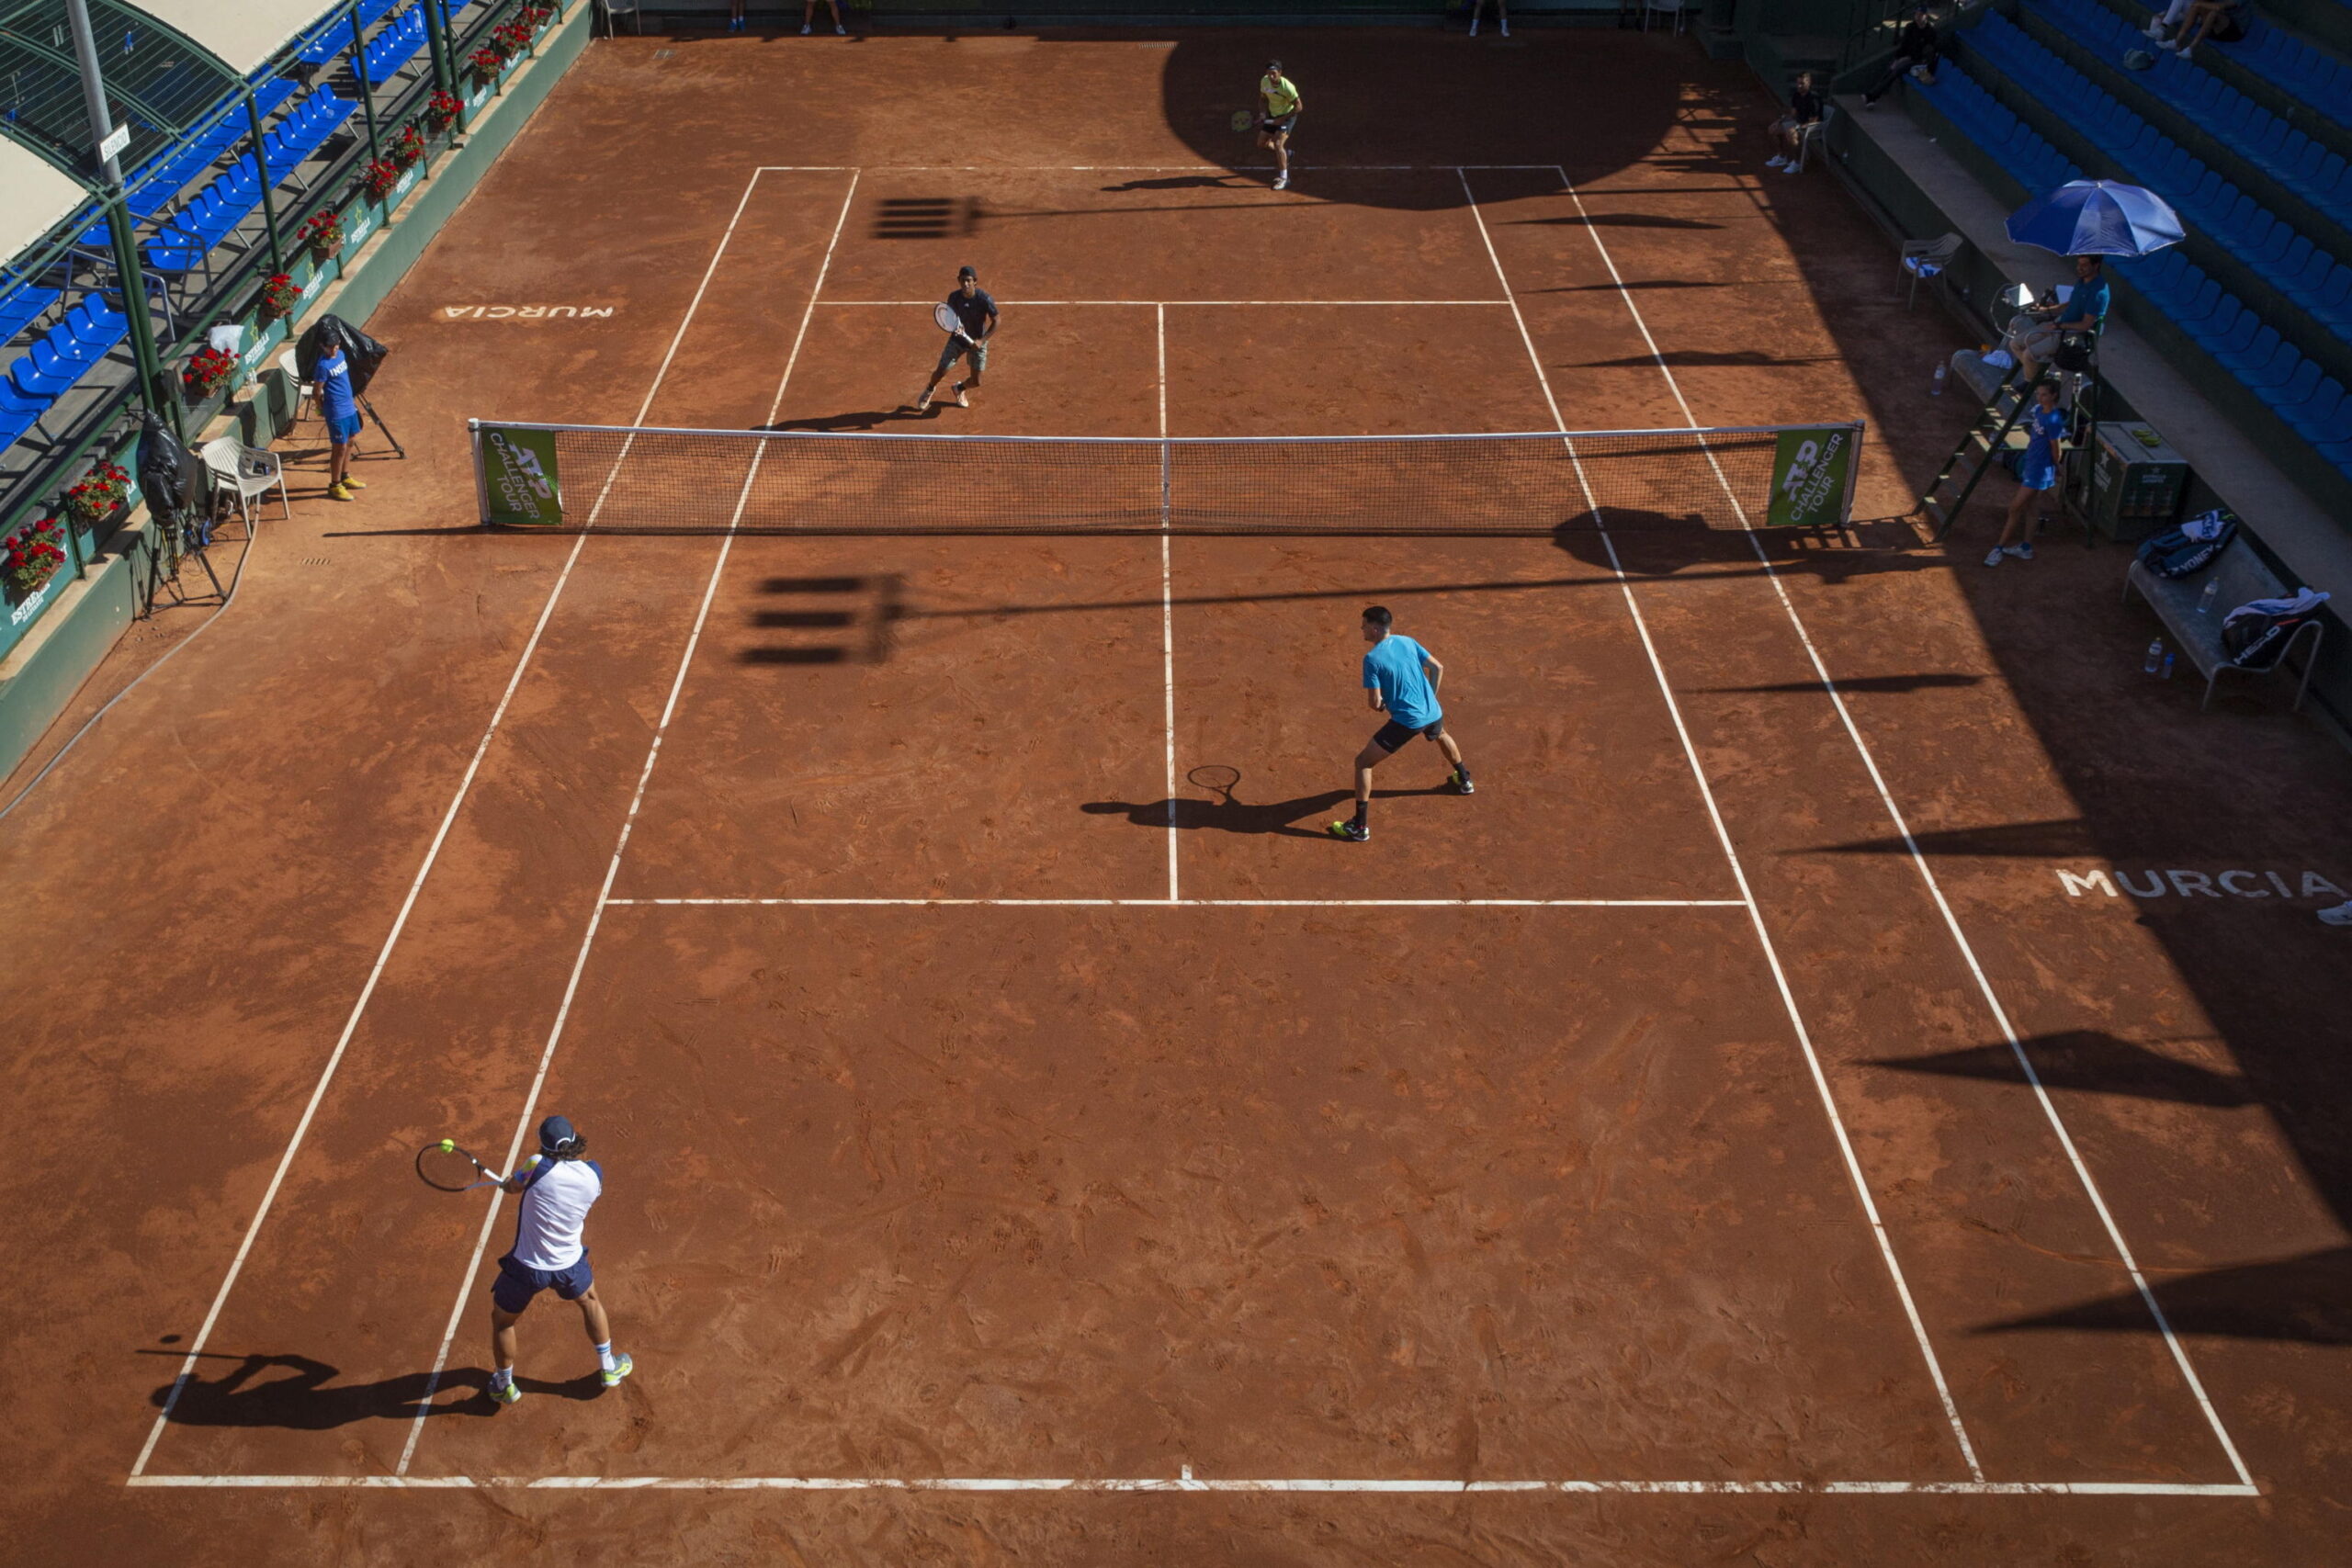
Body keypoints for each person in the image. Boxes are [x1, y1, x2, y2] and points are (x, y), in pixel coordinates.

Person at [486, 1115, 631, 1407]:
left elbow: (514, 1186)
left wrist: (507, 1184)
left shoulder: (536, 1165)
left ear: (543, 1145)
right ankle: (608, 1367)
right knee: (590, 1302)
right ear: (574, 1141)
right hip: (570, 1266)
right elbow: (575, 1166)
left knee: (502, 1322)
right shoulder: (594, 1174)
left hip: (526, 1268)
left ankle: (504, 1385)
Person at [1329, 605, 1473, 843]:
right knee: (1441, 735)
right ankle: (1465, 780)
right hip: (1432, 711)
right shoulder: (1407, 641)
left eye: (1364, 625)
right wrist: (1429, 697)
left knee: (1363, 763)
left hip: (1407, 721)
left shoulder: (1372, 659)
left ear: (1375, 629)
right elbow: (1437, 668)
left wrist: (1383, 704)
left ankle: (1360, 826)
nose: (1361, 629)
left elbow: (1374, 703)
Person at [1984, 379, 2068, 568]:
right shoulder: (2039, 411)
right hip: (2032, 464)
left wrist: (2057, 467)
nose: (2040, 397)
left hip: (2039, 471)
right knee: (2031, 508)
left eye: (2044, 394)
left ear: (2054, 395)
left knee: (2015, 509)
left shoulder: (2053, 420)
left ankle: (1998, 548)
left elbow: (2056, 450)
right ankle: (2026, 548)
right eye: (2038, 394)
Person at [2004, 254, 2109, 381]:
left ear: (2096, 266)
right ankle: (2040, 378)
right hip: (2058, 326)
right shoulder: (2082, 282)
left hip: (2072, 335)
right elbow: (2071, 304)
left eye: (2084, 265)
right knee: (2015, 344)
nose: (2079, 268)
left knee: (2028, 354)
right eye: (2079, 264)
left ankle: (2035, 384)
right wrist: (2046, 310)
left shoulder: (2098, 293)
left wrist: (2060, 326)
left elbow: (2085, 325)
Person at [916, 265, 998, 412]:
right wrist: (958, 330)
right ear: (958, 280)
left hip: (977, 341)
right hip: (958, 340)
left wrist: (982, 340)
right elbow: (950, 320)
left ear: (975, 281)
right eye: (962, 280)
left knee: (976, 382)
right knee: (940, 371)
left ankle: (959, 388)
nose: (965, 284)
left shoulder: (984, 299)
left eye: (968, 280)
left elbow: (997, 320)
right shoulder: (954, 297)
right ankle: (929, 389)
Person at [317, 338, 366, 502]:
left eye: (336, 345)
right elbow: (317, 392)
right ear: (322, 346)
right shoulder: (322, 366)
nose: (334, 349)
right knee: (340, 447)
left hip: (349, 406)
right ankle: (335, 485)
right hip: (336, 411)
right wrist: (321, 408)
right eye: (330, 346)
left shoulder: (342, 355)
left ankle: (345, 477)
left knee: (351, 440)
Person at [1861, 7, 1939, 107]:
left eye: (1920, 15)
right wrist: (1898, 58)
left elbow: (1927, 52)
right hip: (1907, 57)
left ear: (1926, 16)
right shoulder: (1910, 27)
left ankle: (1872, 96)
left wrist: (1906, 59)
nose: (1917, 17)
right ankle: (1872, 96)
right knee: (1890, 68)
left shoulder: (1930, 32)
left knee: (1898, 70)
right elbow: (1904, 45)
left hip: (1918, 62)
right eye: (1916, 14)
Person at [1764, 73, 1823, 174]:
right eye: (1798, 83)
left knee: (1791, 133)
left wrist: (1797, 127)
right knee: (1773, 129)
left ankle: (1797, 162)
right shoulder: (1797, 95)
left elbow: (1814, 120)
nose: (1799, 86)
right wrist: (1780, 121)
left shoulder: (1814, 98)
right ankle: (1782, 157)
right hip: (1798, 122)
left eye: (1802, 83)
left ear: (1809, 83)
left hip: (1813, 126)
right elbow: (1793, 114)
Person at [1258, 61, 1302, 192]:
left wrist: (1281, 119)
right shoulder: (1264, 81)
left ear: (1280, 73)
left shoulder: (1288, 87)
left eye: (1274, 73)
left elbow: (1299, 107)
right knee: (1262, 144)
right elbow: (1263, 99)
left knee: (1278, 144)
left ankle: (1284, 178)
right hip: (1273, 115)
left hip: (1287, 117)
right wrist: (1262, 113)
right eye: (1268, 74)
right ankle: (1286, 154)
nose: (1271, 77)